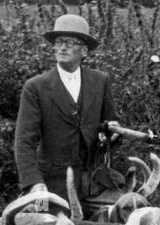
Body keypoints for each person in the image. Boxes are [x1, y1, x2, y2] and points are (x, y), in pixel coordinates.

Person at [15, 13, 134, 206]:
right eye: (59, 42)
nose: (62, 47)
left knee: (120, 222)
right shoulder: (35, 86)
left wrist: (112, 133)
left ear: (84, 50)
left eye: (70, 42)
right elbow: (24, 141)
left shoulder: (100, 81)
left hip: (96, 183)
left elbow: (111, 128)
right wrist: (34, 183)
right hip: (52, 186)